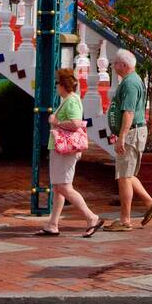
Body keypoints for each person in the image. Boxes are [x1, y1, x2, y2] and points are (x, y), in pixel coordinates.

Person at [37, 68, 104, 238]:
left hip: (65, 150)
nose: (56, 86)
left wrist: (56, 121)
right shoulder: (68, 99)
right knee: (59, 187)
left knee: (63, 187)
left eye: (57, 83)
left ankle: (91, 217)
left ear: (62, 85)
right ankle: (53, 224)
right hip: (62, 149)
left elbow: (75, 123)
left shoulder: (71, 101)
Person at [105, 49, 152, 231]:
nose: (113, 67)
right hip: (134, 132)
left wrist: (121, 137)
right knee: (128, 175)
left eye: (116, 63)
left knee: (123, 177)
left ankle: (125, 220)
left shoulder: (130, 84)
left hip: (131, 133)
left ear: (124, 65)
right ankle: (150, 203)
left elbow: (129, 112)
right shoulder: (133, 81)